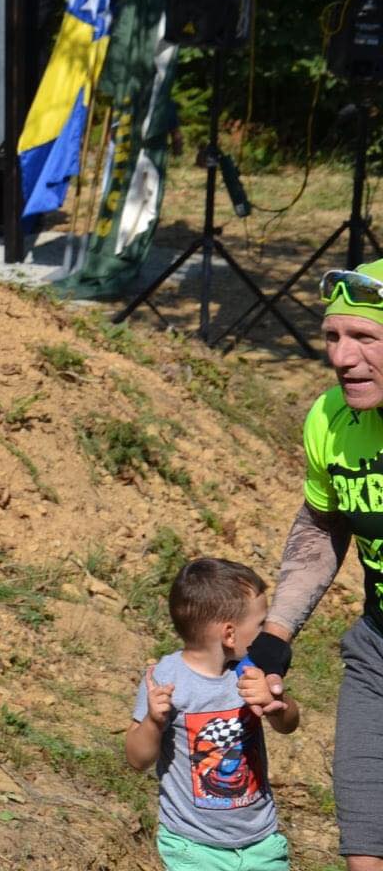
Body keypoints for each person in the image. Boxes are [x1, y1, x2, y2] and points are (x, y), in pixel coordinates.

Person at [243, 262, 383, 871]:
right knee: (364, 848)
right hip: (378, 652)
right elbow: (325, 524)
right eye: (333, 337)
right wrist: (275, 634)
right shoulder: (330, 419)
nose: (343, 358)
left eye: (365, 338)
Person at [126, 559, 298, 871]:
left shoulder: (253, 667)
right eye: (260, 624)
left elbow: (289, 724)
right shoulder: (166, 679)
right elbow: (137, 759)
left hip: (260, 841)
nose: (265, 633)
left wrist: (276, 700)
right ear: (230, 634)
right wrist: (153, 722)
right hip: (192, 845)